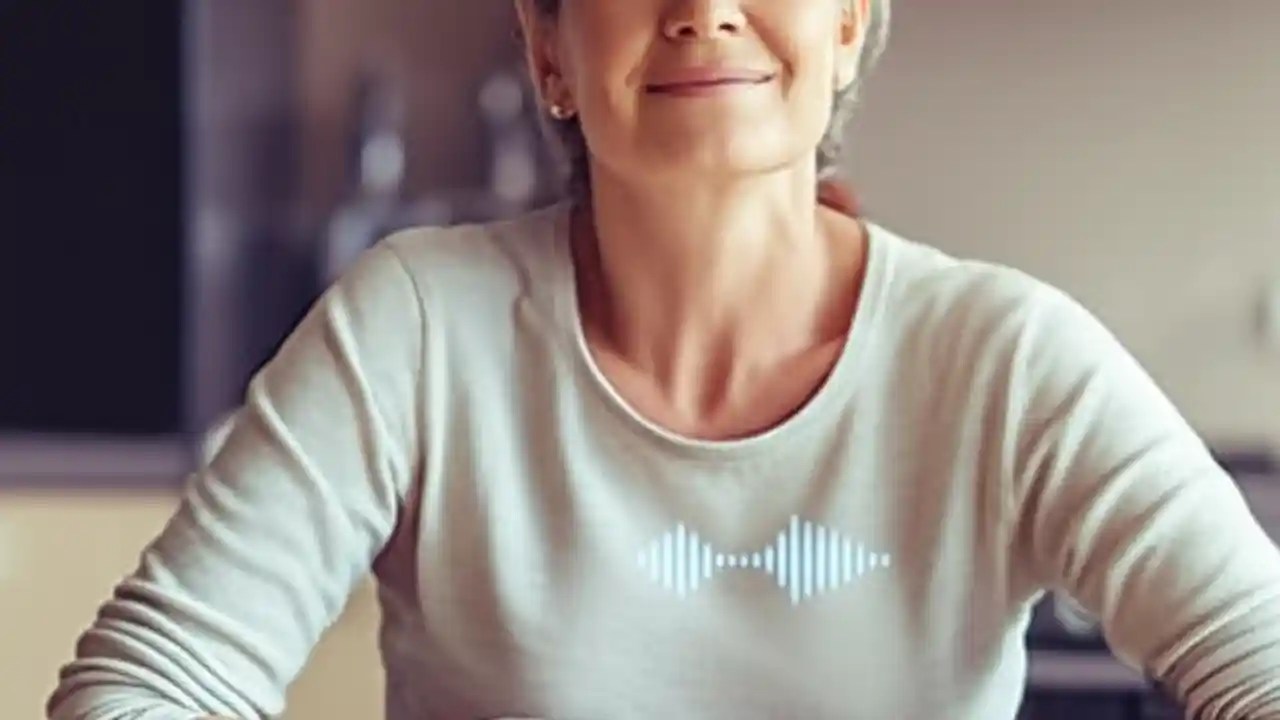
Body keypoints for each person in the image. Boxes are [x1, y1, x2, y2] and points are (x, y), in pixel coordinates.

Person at [47, 0, 1280, 718]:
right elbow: (148, 686)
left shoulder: (1005, 363)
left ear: (848, 21)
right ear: (547, 49)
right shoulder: (416, 329)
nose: (701, 2)